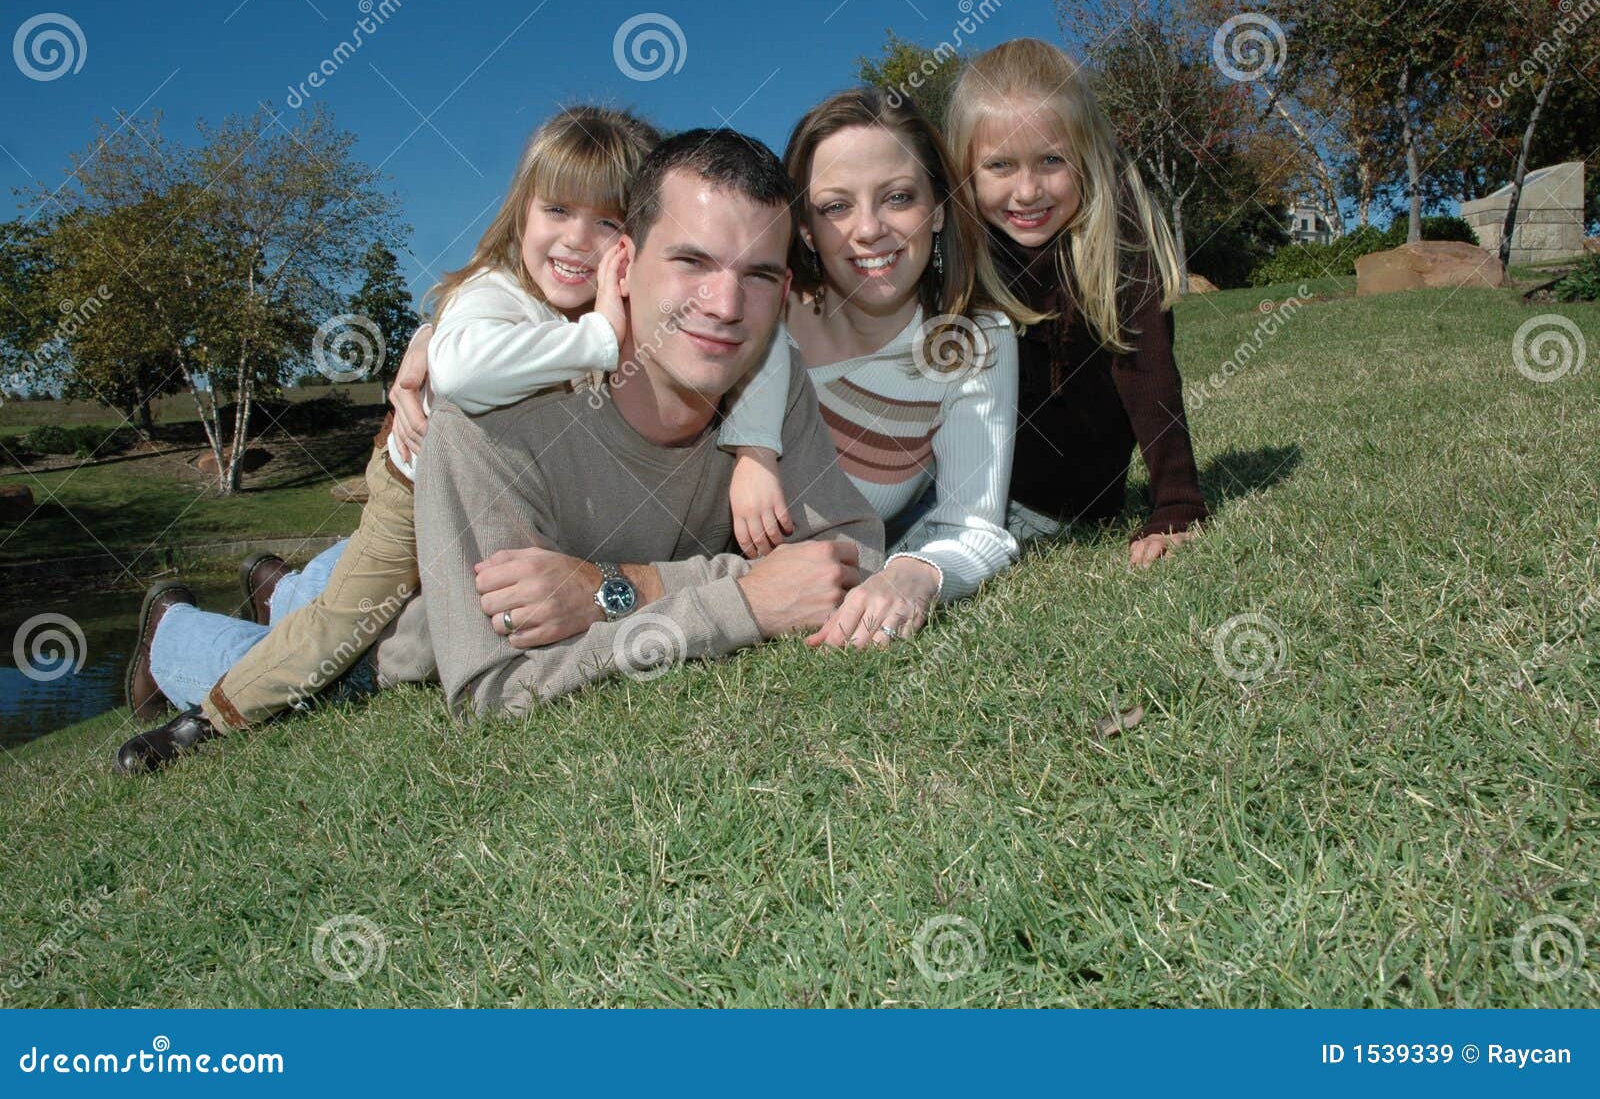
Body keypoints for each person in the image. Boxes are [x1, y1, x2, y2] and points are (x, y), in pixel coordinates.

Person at [114, 128, 882, 769]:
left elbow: (846, 556)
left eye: (756, 275)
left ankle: (278, 588)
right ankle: (169, 633)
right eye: (690, 261)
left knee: (313, 609)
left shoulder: (768, 384)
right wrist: (741, 599)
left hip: (473, 579)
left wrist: (624, 586)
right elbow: (496, 690)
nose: (723, 305)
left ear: (784, 292)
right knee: (319, 665)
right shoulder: (491, 419)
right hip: (416, 629)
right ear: (624, 266)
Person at [777, 88, 1036, 649]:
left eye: (897, 197)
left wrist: (914, 576)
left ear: (938, 209)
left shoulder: (973, 343)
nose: (868, 230)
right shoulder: (757, 314)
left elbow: (974, 527)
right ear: (804, 230)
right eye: (836, 207)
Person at [945, 38, 1208, 567]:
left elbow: (1147, 372)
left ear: (1087, 157)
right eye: (999, 166)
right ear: (964, 171)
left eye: (1051, 160)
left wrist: (1177, 505)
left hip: (1064, 506)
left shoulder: (1116, 234)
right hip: (961, 489)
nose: (1027, 191)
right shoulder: (955, 243)